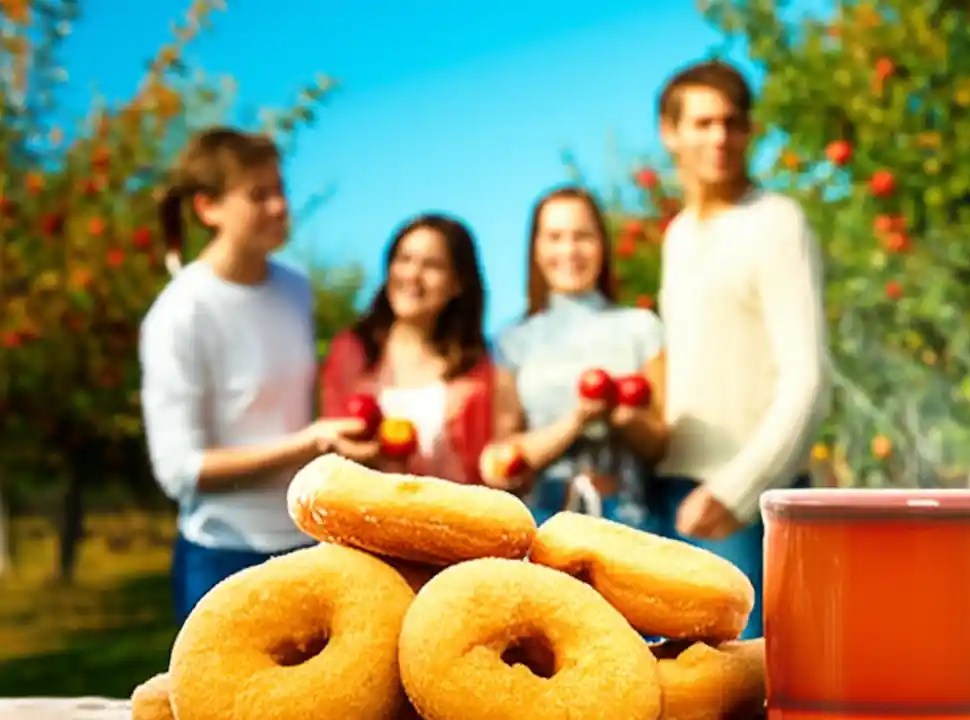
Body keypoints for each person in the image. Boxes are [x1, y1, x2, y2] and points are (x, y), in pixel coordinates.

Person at [139, 127, 378, 624]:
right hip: (223, 553)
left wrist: (336, 447)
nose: (278, 207)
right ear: (209, 208)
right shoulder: (181, 313)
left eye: (280, 190)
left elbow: (289, 412)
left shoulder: (295, 290)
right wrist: (309, 443)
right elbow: (180, 470)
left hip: (304, 541)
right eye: (258, 195)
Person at [653, 59, 832, 639]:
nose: (720, 137)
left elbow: (809, 381)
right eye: (703, 123)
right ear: (669, 131)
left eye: (732, 123)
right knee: (684, 683)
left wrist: (735, 490)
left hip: (745, 502)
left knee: (747, 684)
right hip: (673, 493)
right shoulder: (677, 237)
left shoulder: (777, 222)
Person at [483, 186, 668, 532]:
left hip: (631, 523)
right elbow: (507, 452)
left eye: (582, 236)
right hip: (543, 524)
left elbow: (660, 444)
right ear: (536, 249)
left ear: (602, 245)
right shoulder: (513, 340)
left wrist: (625, 419)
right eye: (555, 237)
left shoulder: (641, 327)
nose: (569, 250)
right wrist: (575, 421)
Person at [319, 213, 520, 485]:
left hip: (445, 518)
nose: (413, 274)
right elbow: (328, 447)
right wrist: (362, 452)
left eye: (432, 265)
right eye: (404, 259)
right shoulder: (351, 352)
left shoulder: (483, 375)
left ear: (457, 284)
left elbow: (498, 472)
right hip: (365, 516)